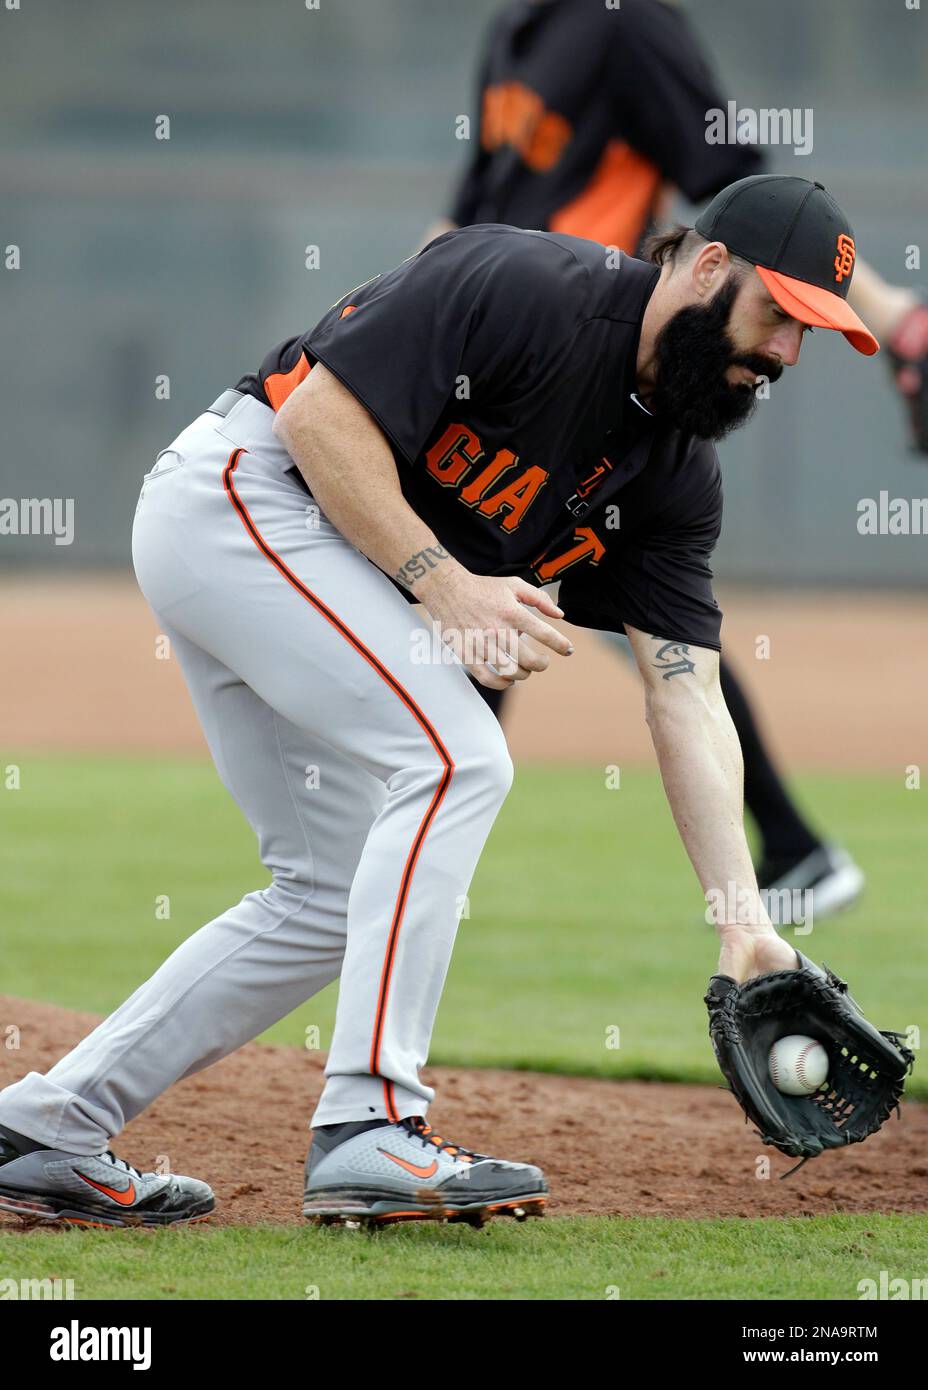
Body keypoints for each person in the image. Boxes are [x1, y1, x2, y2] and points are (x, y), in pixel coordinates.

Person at [0, 174, 880, 1229]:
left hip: (305, 560)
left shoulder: (673, 476)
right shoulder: (525, 284)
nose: (783, 353)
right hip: (241, 497)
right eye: (777, 311)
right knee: (459, 754)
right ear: (703, 266)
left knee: (327, 891)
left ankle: (46, 1126)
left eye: (809, 333)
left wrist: (743, 923)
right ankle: (368, 1125)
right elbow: (319, 415)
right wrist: (445, 584)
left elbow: (683, 693)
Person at [428, 0, 928, 918]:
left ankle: (790, 847)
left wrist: (898, 317)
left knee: (620, 616)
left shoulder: (625, 25)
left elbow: (757, 211)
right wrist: (407, 312)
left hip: (596, 369)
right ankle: (794, 846)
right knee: (538, 622)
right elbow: (465, 213)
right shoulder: (517, 31)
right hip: (501, 369)